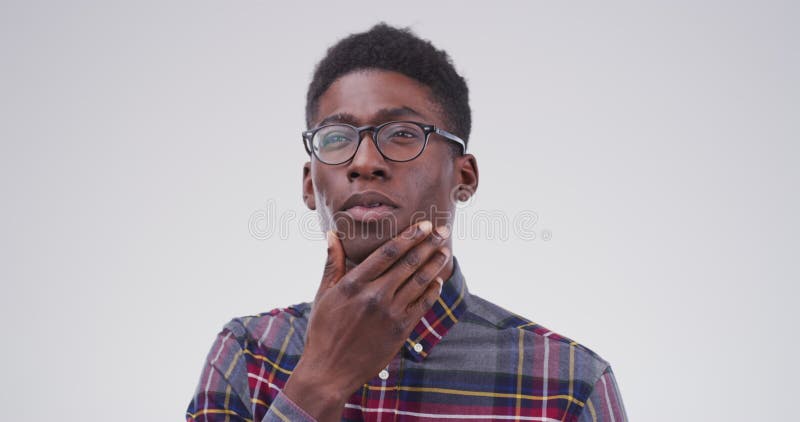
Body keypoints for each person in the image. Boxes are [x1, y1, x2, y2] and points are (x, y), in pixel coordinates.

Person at [186, 23, 627, 422]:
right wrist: (319, 381)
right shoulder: (248, 354)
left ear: (464, 177)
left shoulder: (570, 386)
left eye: (401, 134)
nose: (363, 163)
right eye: (337, 139)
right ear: (308, 185)